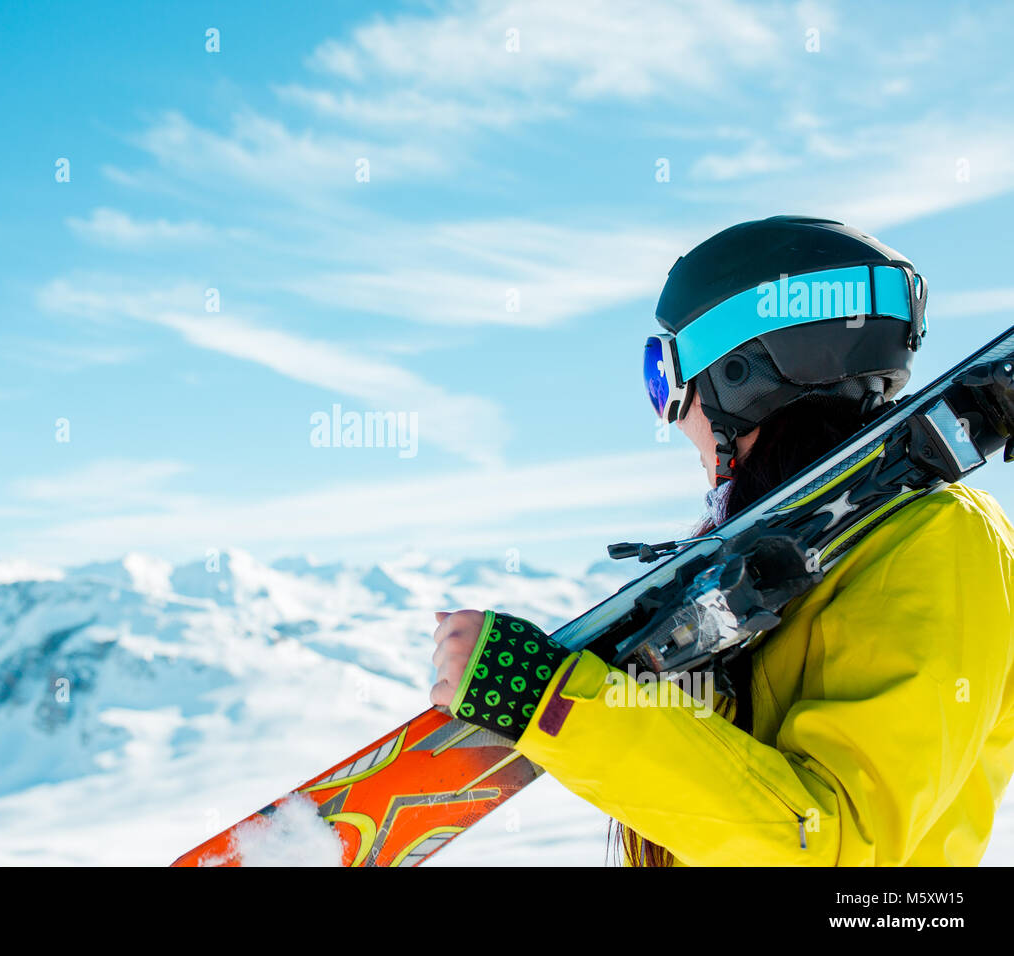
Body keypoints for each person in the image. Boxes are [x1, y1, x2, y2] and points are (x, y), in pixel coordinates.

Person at [430, 216, 1014, 866]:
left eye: (667, 379)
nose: (672, 418)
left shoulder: (938, 537)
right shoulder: (765, 576)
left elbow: (834, 846)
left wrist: (557, 703)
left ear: (741, 375)